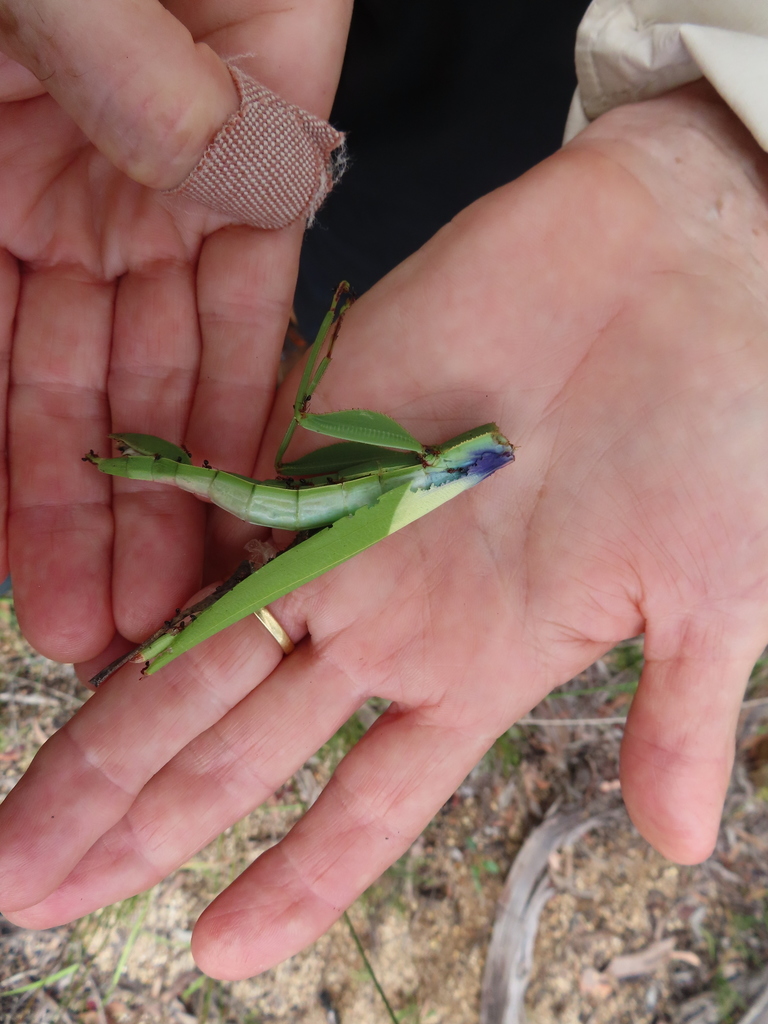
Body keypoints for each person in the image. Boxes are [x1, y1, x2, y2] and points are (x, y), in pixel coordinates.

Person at [1, 0, 768, 982]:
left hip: (483, 145)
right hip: (272, 130)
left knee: (247, 420)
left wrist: (733, 152)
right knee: (205, 432)